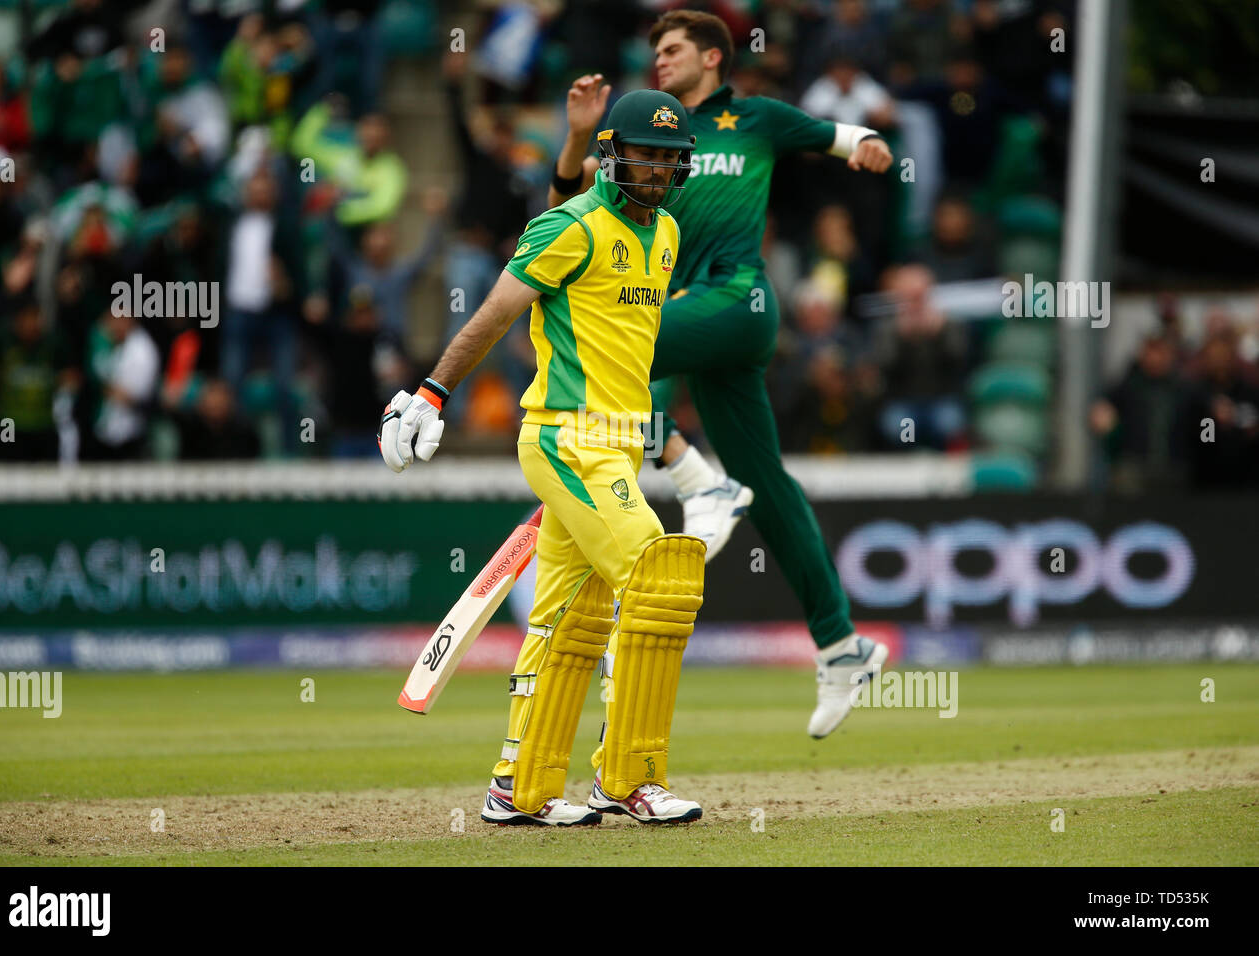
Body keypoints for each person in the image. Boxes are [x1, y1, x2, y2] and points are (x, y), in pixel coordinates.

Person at [548, 9, 894, 739]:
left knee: (609, 360)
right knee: (767, 487)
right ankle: (842, 647)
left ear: (712, 56)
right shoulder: (646, 130)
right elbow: (567, 196)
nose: (660, 62)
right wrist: (580, 132)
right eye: (655, 52)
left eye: (672, 50)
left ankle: (696, 479)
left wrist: (867, 144)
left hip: (740, 299)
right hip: (684, 312)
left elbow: (841, 136)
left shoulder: (757, 118)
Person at [382, 89, 706, 826]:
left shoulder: (665, 234)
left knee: (570, 619)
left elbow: (625, 349)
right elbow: (497, 312)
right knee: (662, 580)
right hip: (567, 439)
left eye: (669, 158)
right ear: (611, 155)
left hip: (619, 446)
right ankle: (627, 779)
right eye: (644, 154)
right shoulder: (571, 226)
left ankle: (518, 790)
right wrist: (431, 393)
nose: (656, 170)